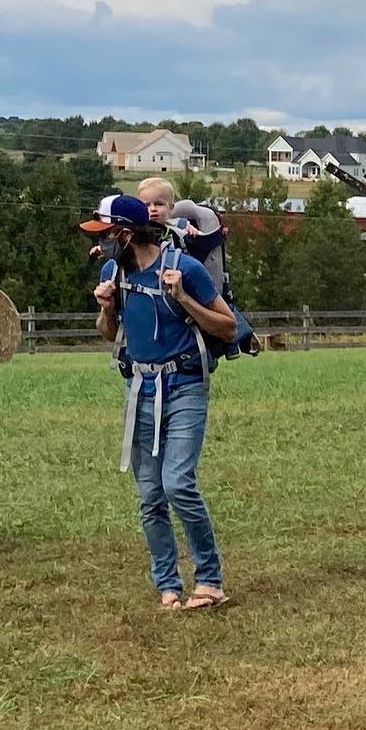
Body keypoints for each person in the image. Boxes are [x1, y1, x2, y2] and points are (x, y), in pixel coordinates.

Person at [85, 194, 236, 610]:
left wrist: (184, 297)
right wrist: (105, 309)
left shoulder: (183, 269)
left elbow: (226, 326)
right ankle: (167, 584)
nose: (101, 243)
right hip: (139, 389)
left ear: (128, 233)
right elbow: (108, 332)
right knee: (150, 495)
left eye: (107, 233)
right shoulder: (111, 272)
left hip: (185, 385)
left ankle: (209, 581)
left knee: (178, 484)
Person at [137, 177, 228, 293]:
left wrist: (186, 228)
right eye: (146, 205)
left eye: (159, 204)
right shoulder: (135, 232)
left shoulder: (180, 231)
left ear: (171, 208)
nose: (152, 209)